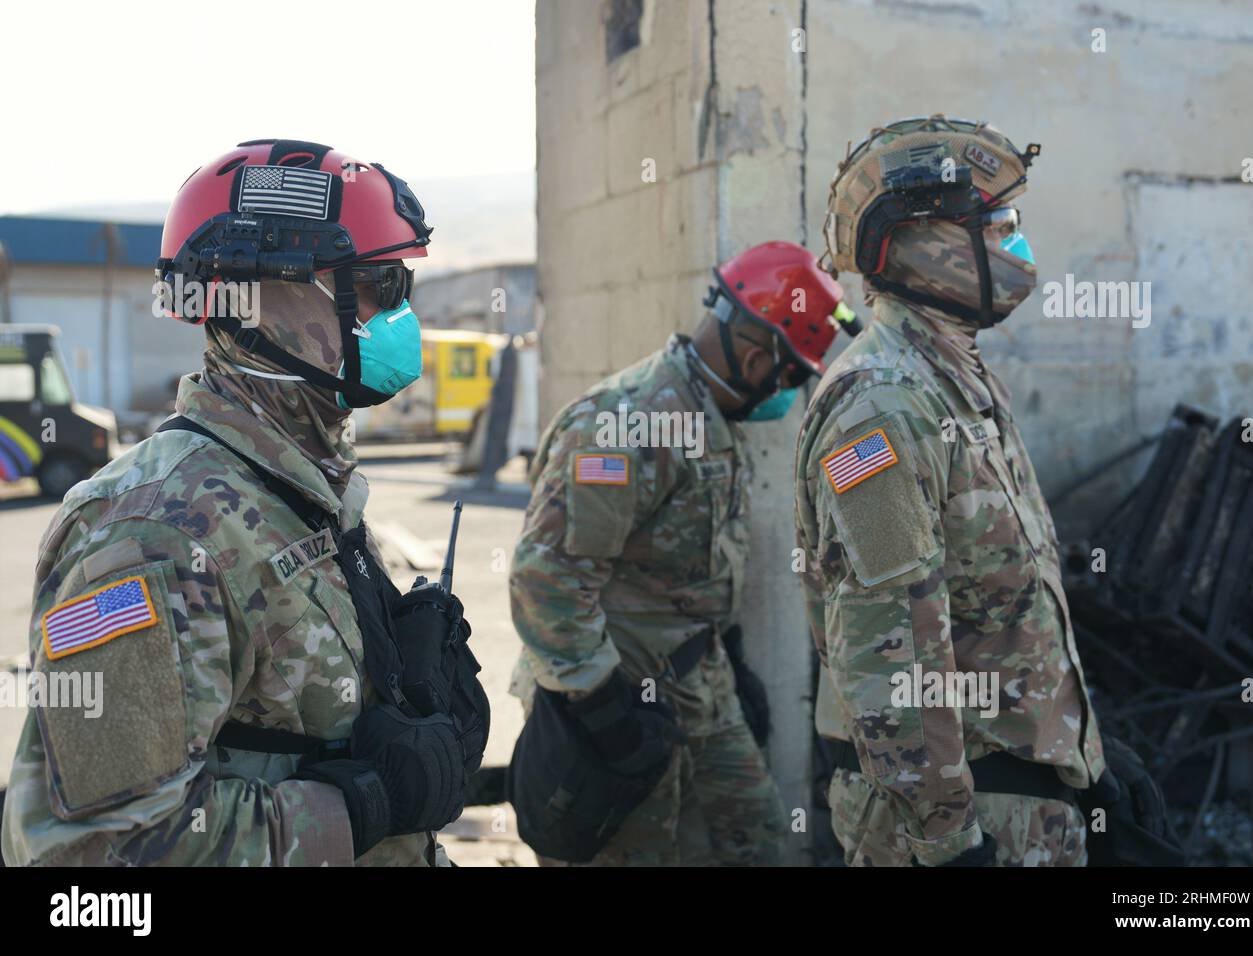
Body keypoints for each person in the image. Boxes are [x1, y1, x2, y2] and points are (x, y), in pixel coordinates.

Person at [1, 140, 486, 867]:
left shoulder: (303, 487)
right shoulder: (152, 533)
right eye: (378, 284)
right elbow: (97, 851)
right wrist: (363, 805)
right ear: (263, 298)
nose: (399, 312)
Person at [795, 116, 1106, 866]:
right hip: (959, 825)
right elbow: (888, 646)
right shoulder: (883, 408)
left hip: (1022, 803)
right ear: (920, 242)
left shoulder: (954, 379)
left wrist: (1087, 768)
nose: (1012, 244)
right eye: (993, 224)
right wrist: (946, 842)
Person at [508, 242, 855, 866]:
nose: (789, 393)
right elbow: (547, 580)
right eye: (794, 375)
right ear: (758, 356)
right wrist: (601, 706)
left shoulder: (710, 413)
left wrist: (724, 647)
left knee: (762, 845)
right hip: (613, 701)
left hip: (698, 683)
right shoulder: (630, 422)